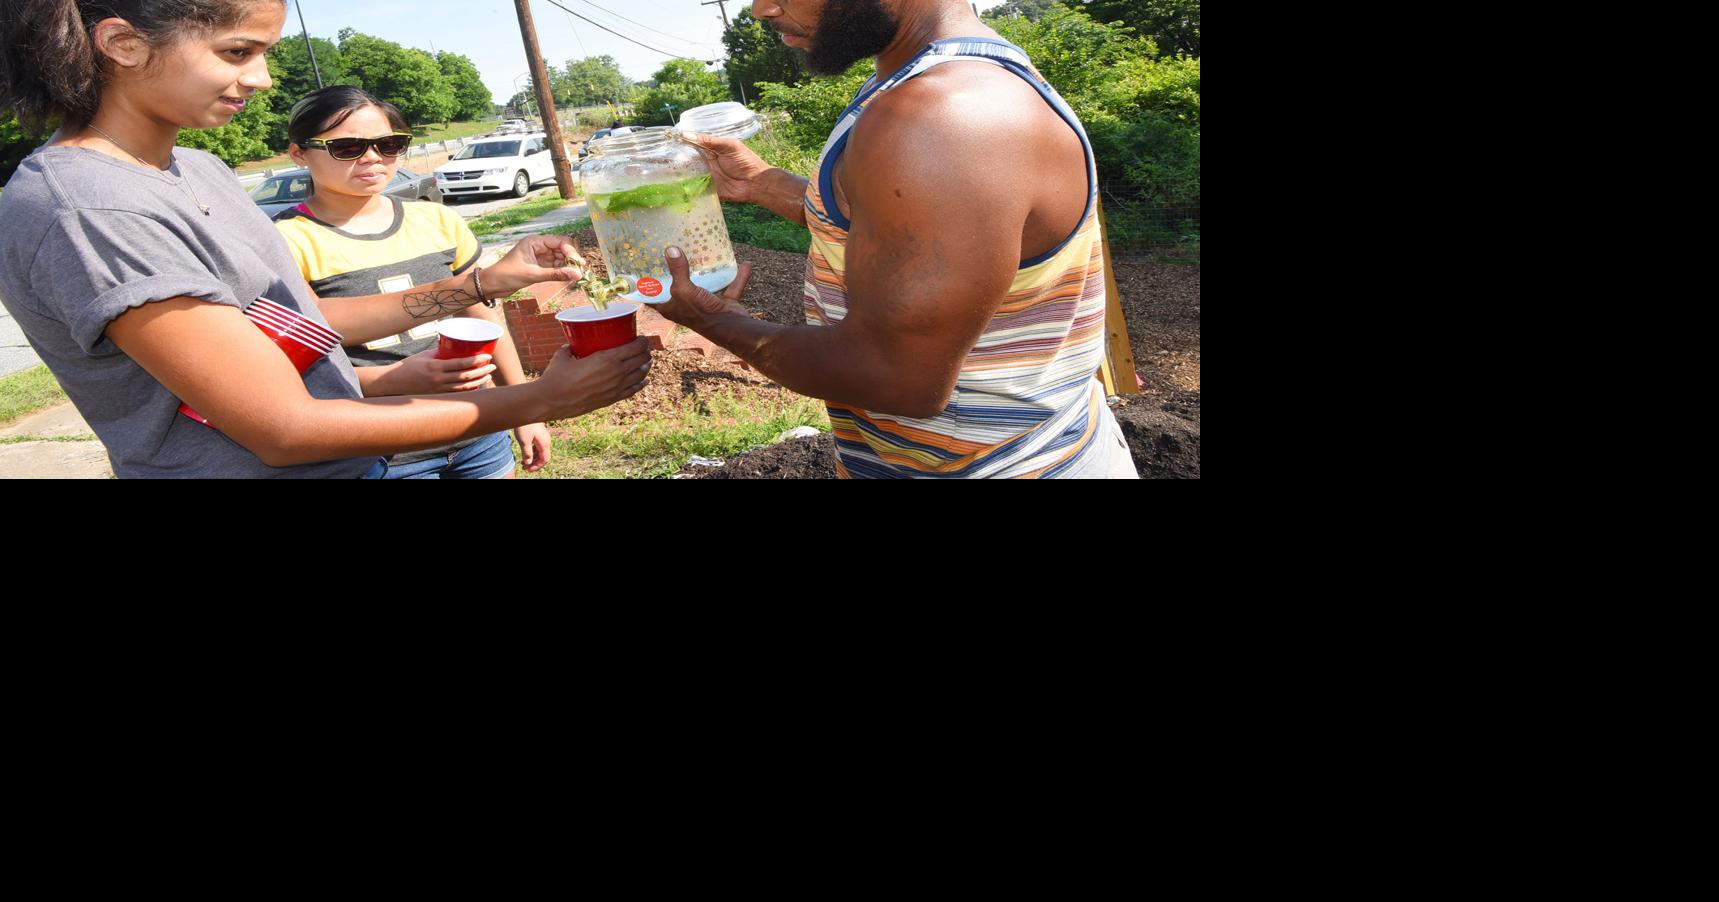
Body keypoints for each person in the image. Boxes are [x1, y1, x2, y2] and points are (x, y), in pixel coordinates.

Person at [0, 0, 646, 478]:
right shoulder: (88, 208)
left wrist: (479, 284)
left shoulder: (196, 168)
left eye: (264, 54)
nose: (262, 79)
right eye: (235, 52)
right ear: (122, 43)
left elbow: (304, 323)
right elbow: (283, 429)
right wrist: (540, 399)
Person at [654, 0, 1138, 478]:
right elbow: (897, 229)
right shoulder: (926, 78)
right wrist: (762, 183)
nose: (761, 9)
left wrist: (713, 320)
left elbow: (895, 377)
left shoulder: (942, 118)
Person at [273, 86, 548, 479]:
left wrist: (524, 409)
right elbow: (287, 365)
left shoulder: (438, 219)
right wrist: (388, 380)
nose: (372, 157)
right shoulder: (285, 240)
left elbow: (485, 320)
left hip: (478, 432)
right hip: (379, 451)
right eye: (347, 147)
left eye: (388, 144)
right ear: (299, 153)